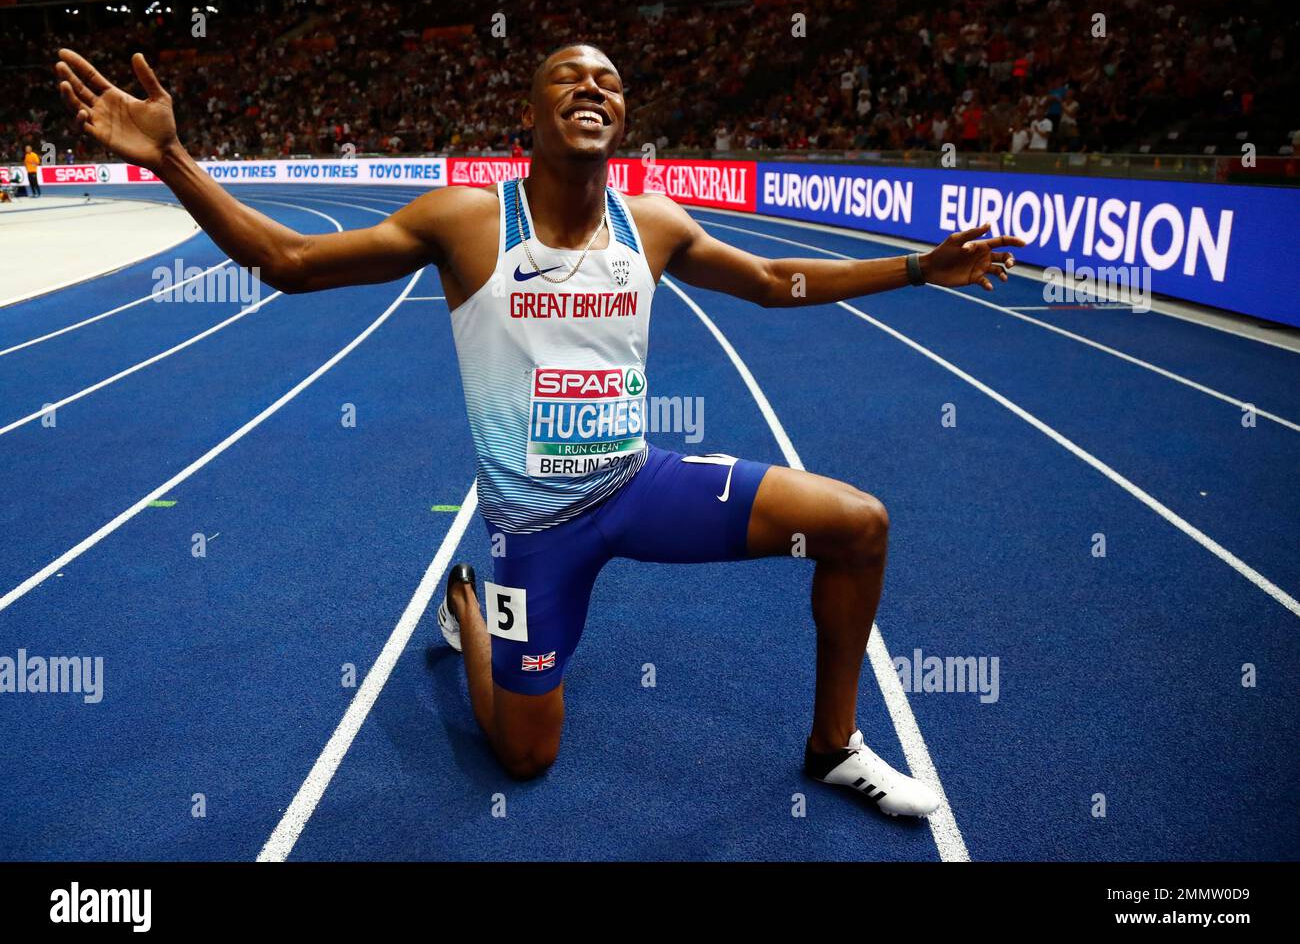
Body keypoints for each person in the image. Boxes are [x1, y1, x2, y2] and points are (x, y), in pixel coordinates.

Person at [55, 43, 1022, 818]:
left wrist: (915, 269)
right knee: (525, 759)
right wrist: (172, 160)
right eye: (569, 77)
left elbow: (774, 281)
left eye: (610, 81)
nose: (593, 88)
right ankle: (468, 602)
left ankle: (833, 748)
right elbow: (292, 260)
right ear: (530, 112)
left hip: (638, 486)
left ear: (623, 116)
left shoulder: (654, 224)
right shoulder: (468, 221)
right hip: (536, 532)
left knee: (858, 524)